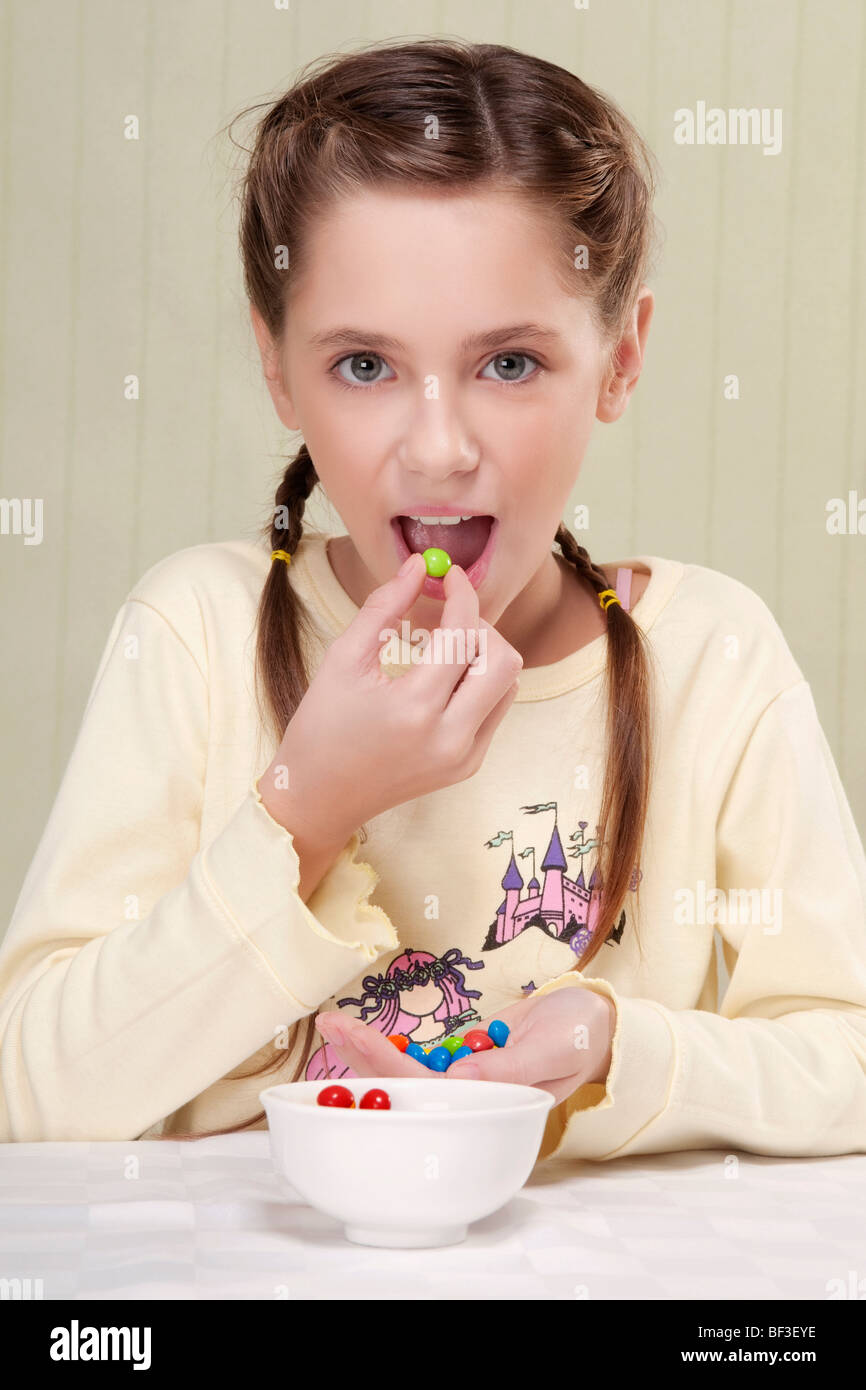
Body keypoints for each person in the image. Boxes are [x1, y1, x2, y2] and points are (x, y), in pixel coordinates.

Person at [1, 38, 865, 1161]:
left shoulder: (712, 659)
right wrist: (305, 804)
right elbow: (31, 1086)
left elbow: (846, 1060)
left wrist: (612, 1041)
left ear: (619, 357)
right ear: (276, 366)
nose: (440, 450)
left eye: (507, 363)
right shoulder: (195, 634)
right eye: (363, 365)